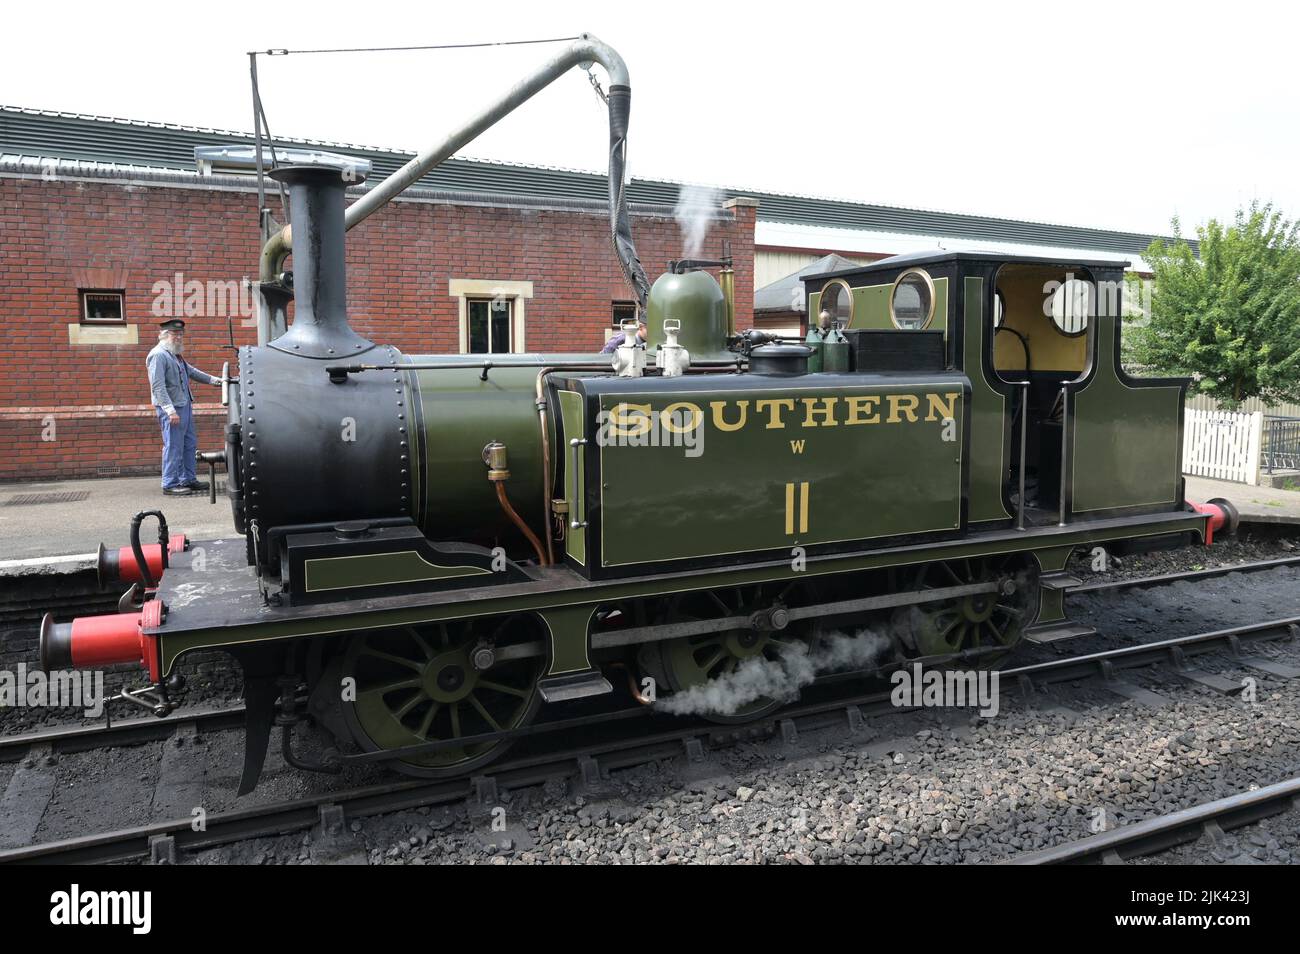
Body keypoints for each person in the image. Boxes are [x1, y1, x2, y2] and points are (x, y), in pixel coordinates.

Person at [147, 319, 221, 496]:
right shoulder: (158, 355)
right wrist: (170, 411)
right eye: (175, 334)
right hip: (172, 409)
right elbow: (158, 387)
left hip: (185, 405)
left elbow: (192, 372)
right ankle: (169, 483)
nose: (179, 337)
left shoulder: (175, 355)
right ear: (164, 335)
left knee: (189, 444)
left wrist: (217, 381)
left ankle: (188, 479)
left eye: (181, 334)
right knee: (173, 446)